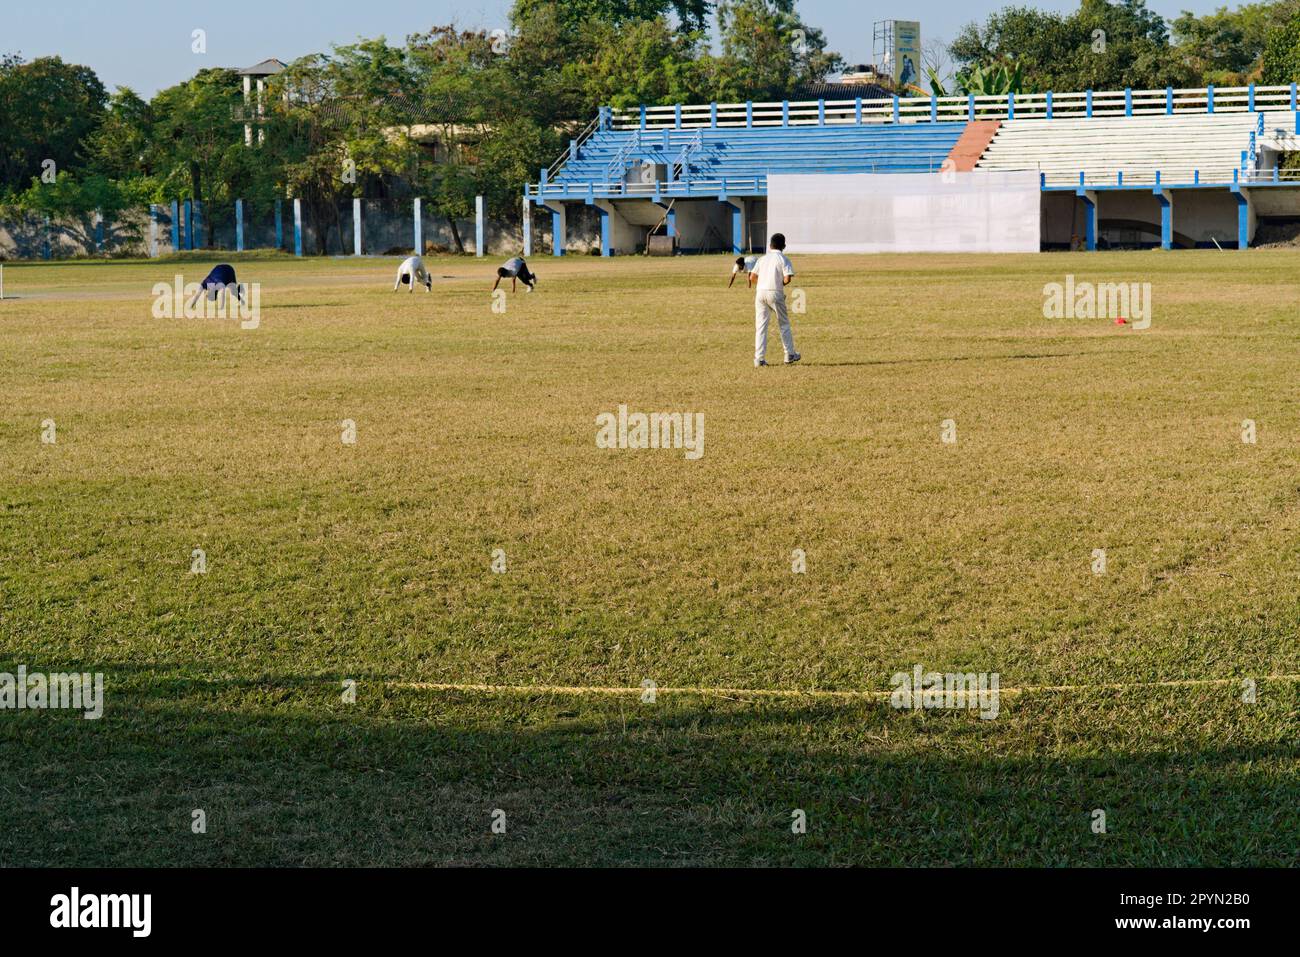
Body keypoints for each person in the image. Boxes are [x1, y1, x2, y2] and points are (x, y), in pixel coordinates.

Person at [749, 234, 800, 367]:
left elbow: (752, 277)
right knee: (783, 324)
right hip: (775, 292)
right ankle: (789, 354)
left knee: (760, 326)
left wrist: (763, 285)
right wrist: (777, 286)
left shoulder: (762, 259)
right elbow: (787, 278)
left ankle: (759, 359)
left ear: (770, 245)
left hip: (760, 293)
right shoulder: (783, 259)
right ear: (784, 246)